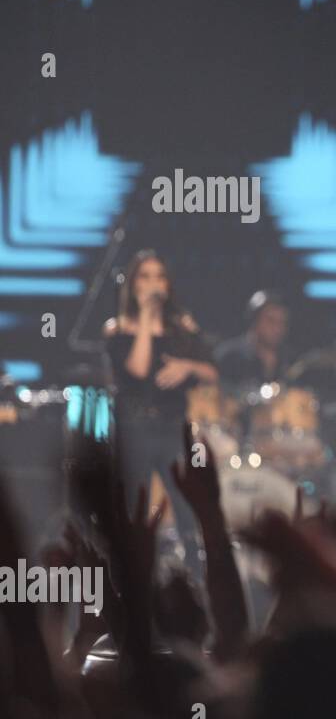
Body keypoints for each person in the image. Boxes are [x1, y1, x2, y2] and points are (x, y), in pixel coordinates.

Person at [102, 249, 219, 581]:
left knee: (187, 509)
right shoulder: (117, 330)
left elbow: (212, 372)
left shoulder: (182, 327)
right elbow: (138, 368)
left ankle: (199, 583)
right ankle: (131, 584)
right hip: (134, 427)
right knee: (135, 510)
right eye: (145, 276)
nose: (153, 283)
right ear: (133, 284)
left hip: (172, 428)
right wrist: (145, 318)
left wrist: (186, 366)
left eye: (159, 276)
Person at [214, 290, 290, 395]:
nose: (277, 329)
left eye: (281, 323)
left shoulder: (288, 360)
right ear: (255, 321)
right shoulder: (229, 356)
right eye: (270, 321)